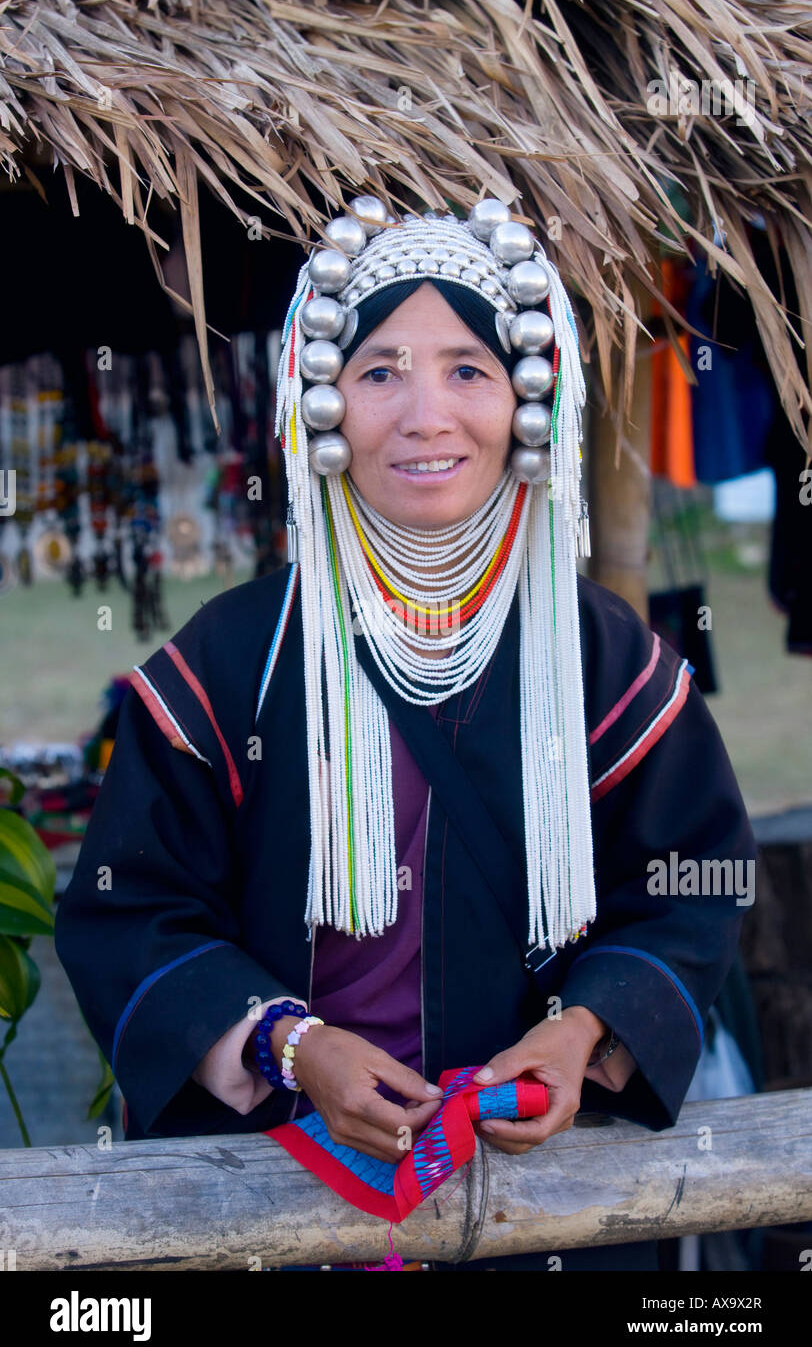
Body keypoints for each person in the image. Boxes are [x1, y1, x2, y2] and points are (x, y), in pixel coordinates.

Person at [54, 197, 756, 1271]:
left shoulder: (606, 661)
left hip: (545, 1205)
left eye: (467, 369)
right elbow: (129, 913)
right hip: (281, 1196)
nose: (424, 415)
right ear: (322, 403)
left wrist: (577, 1034)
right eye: (379, 370)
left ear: (527, 400)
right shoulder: (234, 659)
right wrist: (295, 1046)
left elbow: (688, 886)